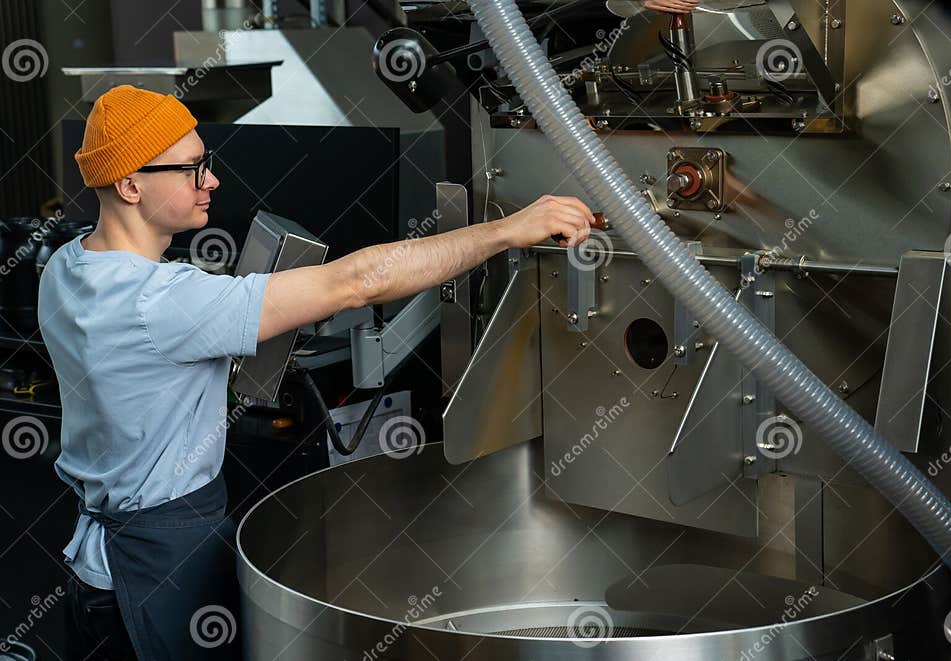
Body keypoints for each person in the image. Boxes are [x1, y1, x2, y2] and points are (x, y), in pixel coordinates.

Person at [38, 84, 594, 661]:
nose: (211, 181)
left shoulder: (67, 265)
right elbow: (357, 282)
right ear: (130, 185)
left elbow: (146, 362)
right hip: (158, 570)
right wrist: (508, 230)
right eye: (191, 169)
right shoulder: (166, 301)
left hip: (92, 573)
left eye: (208, 162)